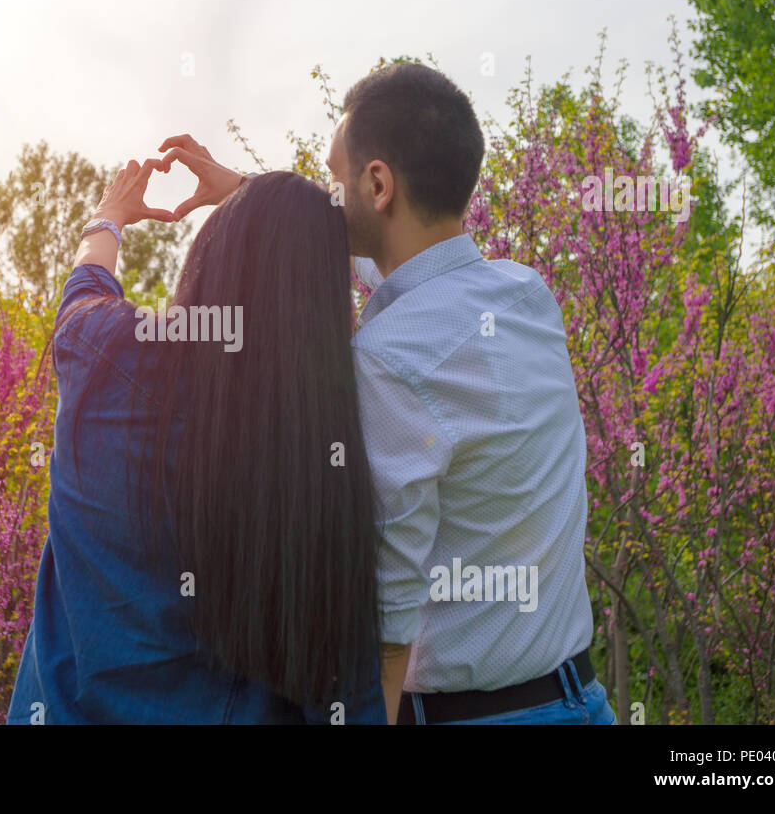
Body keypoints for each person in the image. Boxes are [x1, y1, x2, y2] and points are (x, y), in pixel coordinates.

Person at [165, 62, 615, 725]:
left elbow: (388, 624)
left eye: (333, 175)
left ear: (377, 182)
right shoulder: (528, 295)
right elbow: (412, 281)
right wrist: (252, 193)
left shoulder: (386, 361)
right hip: (581, 699)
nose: (329, 191)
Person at [6, 155, 386, 724]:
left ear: (211, 253)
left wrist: (109, 217)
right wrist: (271, 207)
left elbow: (85, 285)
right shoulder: (328, 438)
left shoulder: (103, 351)